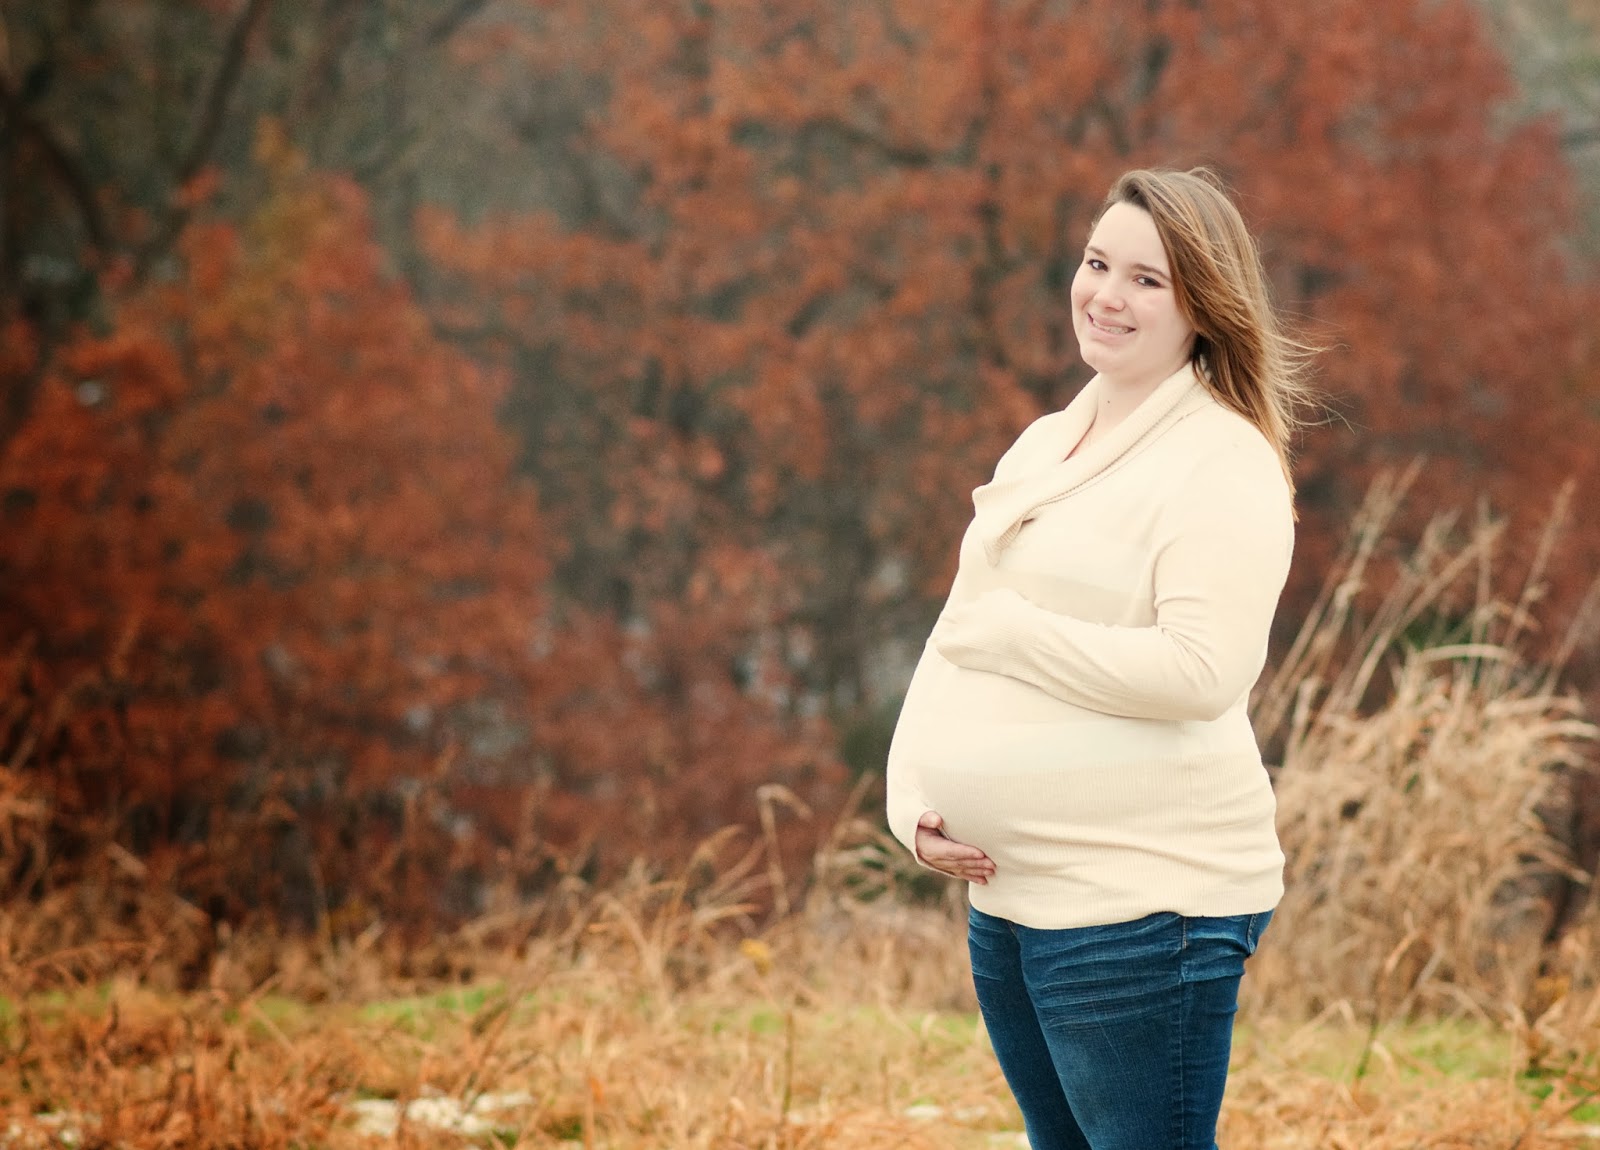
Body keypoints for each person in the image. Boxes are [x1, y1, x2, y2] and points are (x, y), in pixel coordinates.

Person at [885, 167, 1313, 1150]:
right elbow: (955, 639)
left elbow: (1205, 672)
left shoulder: (1223, 460)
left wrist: (1019, 636)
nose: (1105, 295)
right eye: (1095, 263)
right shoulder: (1045, 443)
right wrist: (909, 803)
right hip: (1010, 897)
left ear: (1203, 306)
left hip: (1141, 904)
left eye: (1146, 280)